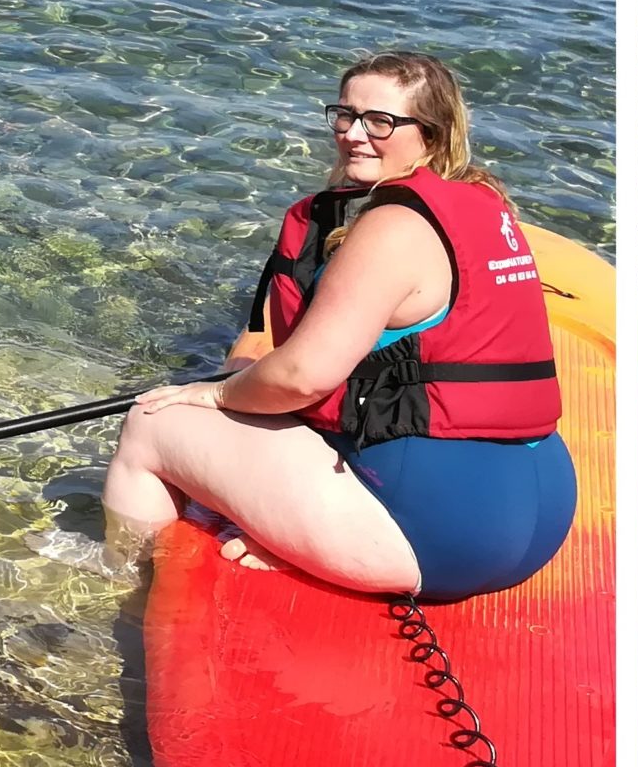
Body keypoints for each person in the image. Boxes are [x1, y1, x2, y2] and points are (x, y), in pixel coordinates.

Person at [102, 53, 574, 601]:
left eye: (381, 122)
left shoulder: (392, 228)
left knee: (151, 422)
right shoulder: (484, 205)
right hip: (540, 512)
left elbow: (301, 377)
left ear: (432, 133)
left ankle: (116, 590)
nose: (353, 134)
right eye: (346, 115)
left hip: (438, 538)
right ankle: (301, 531)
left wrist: (214, 393)